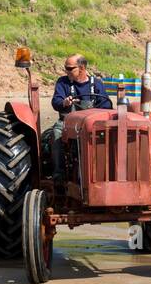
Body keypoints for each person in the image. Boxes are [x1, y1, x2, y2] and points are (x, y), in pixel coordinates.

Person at [44, 55, 112, 187]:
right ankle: (59, 175)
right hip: (67, 122)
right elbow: (56, 102)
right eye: (65, 68)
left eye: (69, 68)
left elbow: (106, 106)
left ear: (82, 68)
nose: (66, 71)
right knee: (57, 133)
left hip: (92, 124)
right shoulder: (63, 82)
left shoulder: (96, 84)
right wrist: (64, 102)